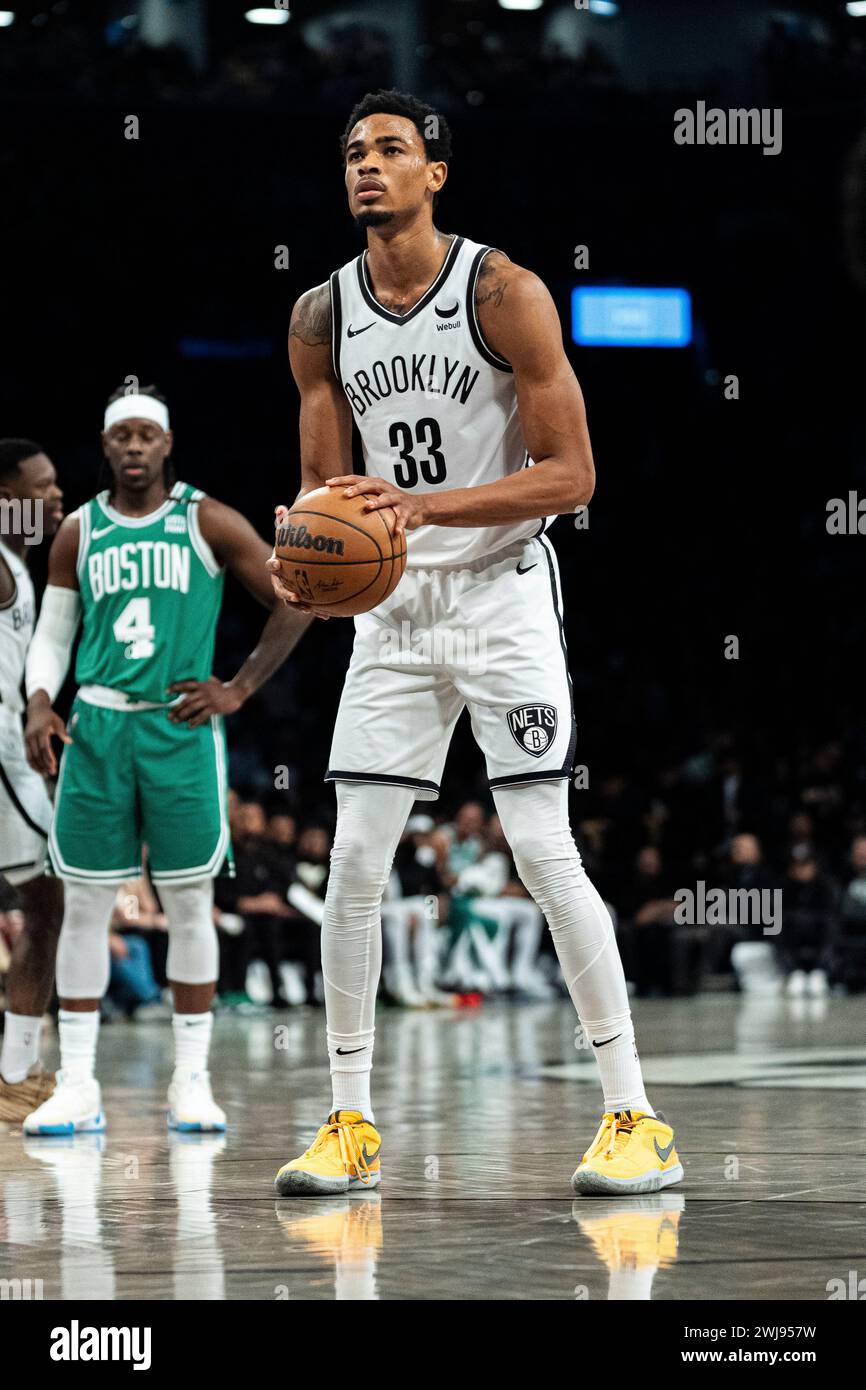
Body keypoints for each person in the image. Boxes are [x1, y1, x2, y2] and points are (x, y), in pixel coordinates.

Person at [268, 89, 682, 1197]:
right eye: (353, 152)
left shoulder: (503, 291)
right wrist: (304, 551)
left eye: (390, 149)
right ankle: (349, 1121)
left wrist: (425, 507)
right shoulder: (319, 314)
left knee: (543, 851)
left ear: (435, 174)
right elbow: (323, 489)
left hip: (500, 593)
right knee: (355, 862)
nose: (366, 165)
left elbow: (572, 476)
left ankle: (634, 1117)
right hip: (396, 607)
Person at [20, 385, 311, 1135]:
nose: (134, 447)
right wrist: (40, 701)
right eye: (122, 436)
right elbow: (53, 632)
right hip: (97, 728)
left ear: (168, 443)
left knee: (188, 902)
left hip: (179, 730)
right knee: (86, 904)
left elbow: (297, 594)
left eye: (146, 435)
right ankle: (77, 1084)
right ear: (106, 445)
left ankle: (191, 1080)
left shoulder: (206, 519)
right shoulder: (78, 530)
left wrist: (240, 687)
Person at [0, 439, 65, 1122]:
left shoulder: (19, 561)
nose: (56, 495)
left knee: (46, 903)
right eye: (41, 487)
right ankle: (12, 1075)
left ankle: (15, 1072)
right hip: (1, 757)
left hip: (13, 747)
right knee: (48, 900)